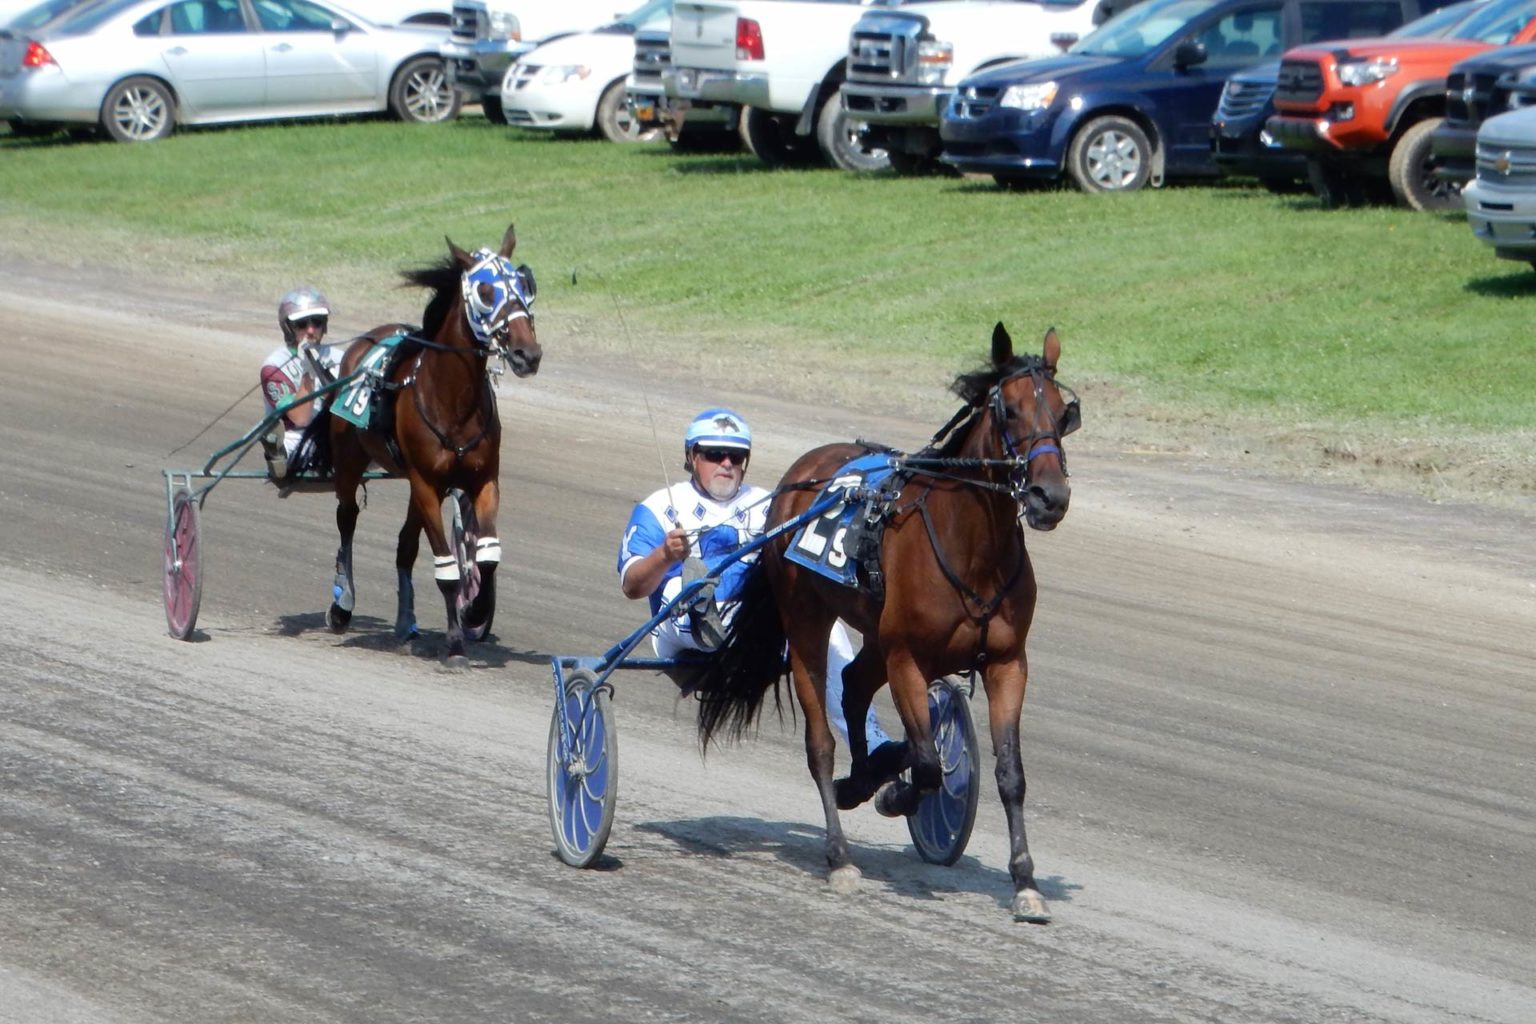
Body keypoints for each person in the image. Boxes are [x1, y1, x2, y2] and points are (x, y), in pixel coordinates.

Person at [617, 408, 897, 758]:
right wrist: (664, 556)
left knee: (831, 631)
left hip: (757, 623)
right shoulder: (659, 507)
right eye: (714, 455)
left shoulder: (769, 504)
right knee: (691, 594)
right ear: (692, 456)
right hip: (680, 625)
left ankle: (873, 744)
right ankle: (711, 616)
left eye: (736, 456)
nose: (727, 464)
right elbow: (632, 586)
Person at [259, 286, 336, 479]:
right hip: (295, 437)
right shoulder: (274, 366)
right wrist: (308, 373)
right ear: (289, 328)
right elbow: (300, 418)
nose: (310, 330)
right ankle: (276, 452)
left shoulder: (341, 358)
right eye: (302, 324)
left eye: (317, 322)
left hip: (335, 435)